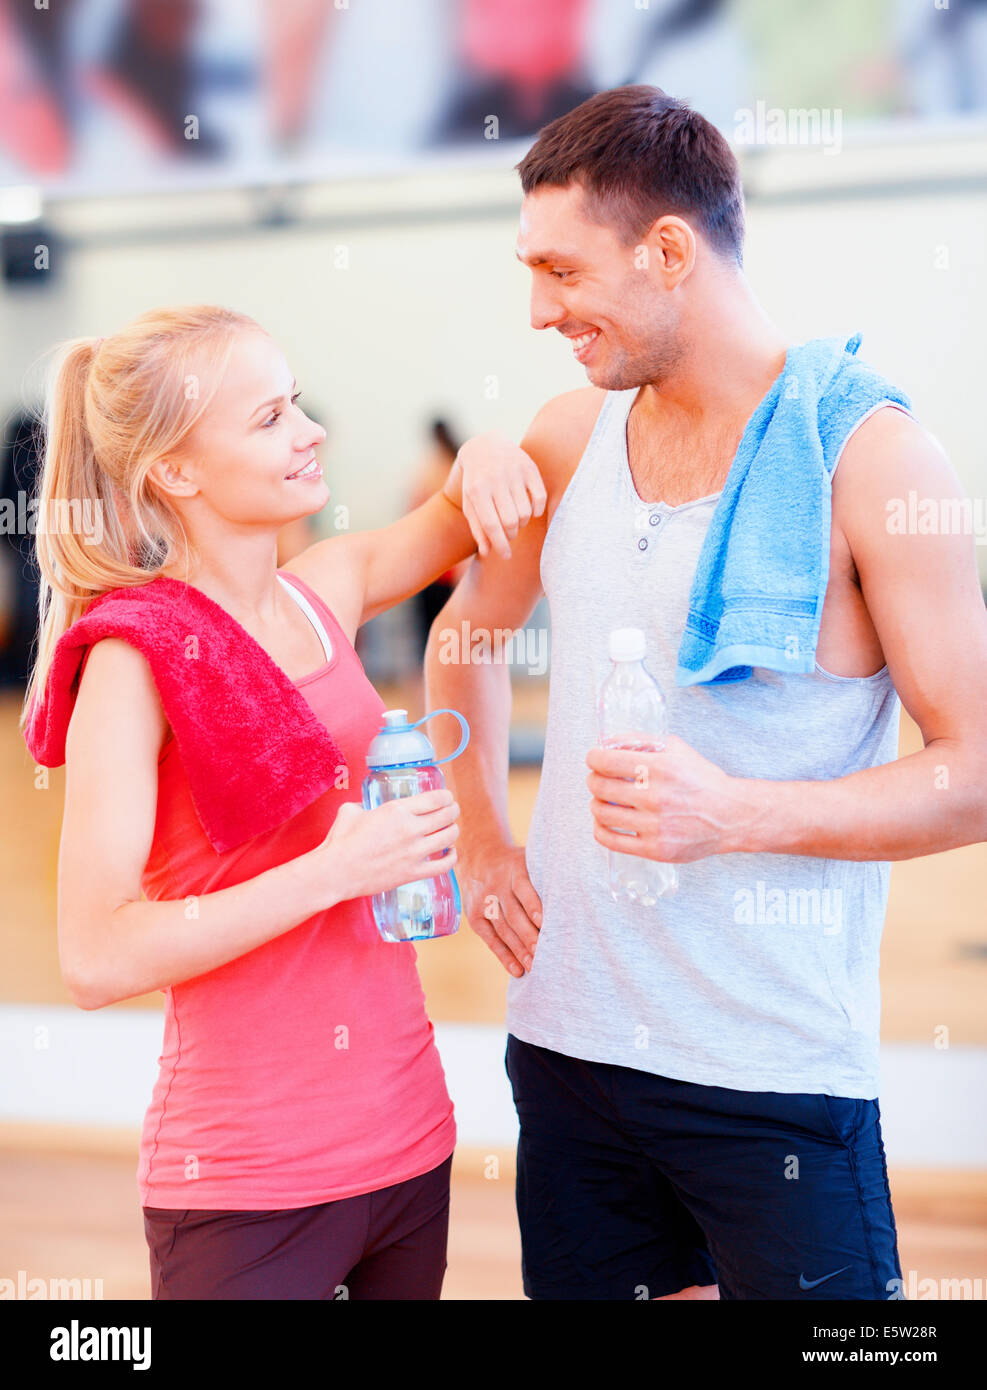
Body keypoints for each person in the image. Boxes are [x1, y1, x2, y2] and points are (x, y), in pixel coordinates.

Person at [425, 86, 987, 1301]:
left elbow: (976, 770)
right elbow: (464, 634)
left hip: (773, 1067)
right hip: (568, 1044)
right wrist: (480, 836)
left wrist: (735, 812)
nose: (539, 311)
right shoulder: (567, 438)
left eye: (562, 272)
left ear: (669, 250)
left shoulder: (876, 462)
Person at [21, 304, 546, 1300]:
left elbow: (458, 512)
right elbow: (95, 956)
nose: (310, 433)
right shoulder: (132, 663)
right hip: (247, 1183)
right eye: (269, 419)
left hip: (408, 1145)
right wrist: (333, 871)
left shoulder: (324, 591)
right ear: (176, 471)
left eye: (296, 403)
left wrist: (481, 451)